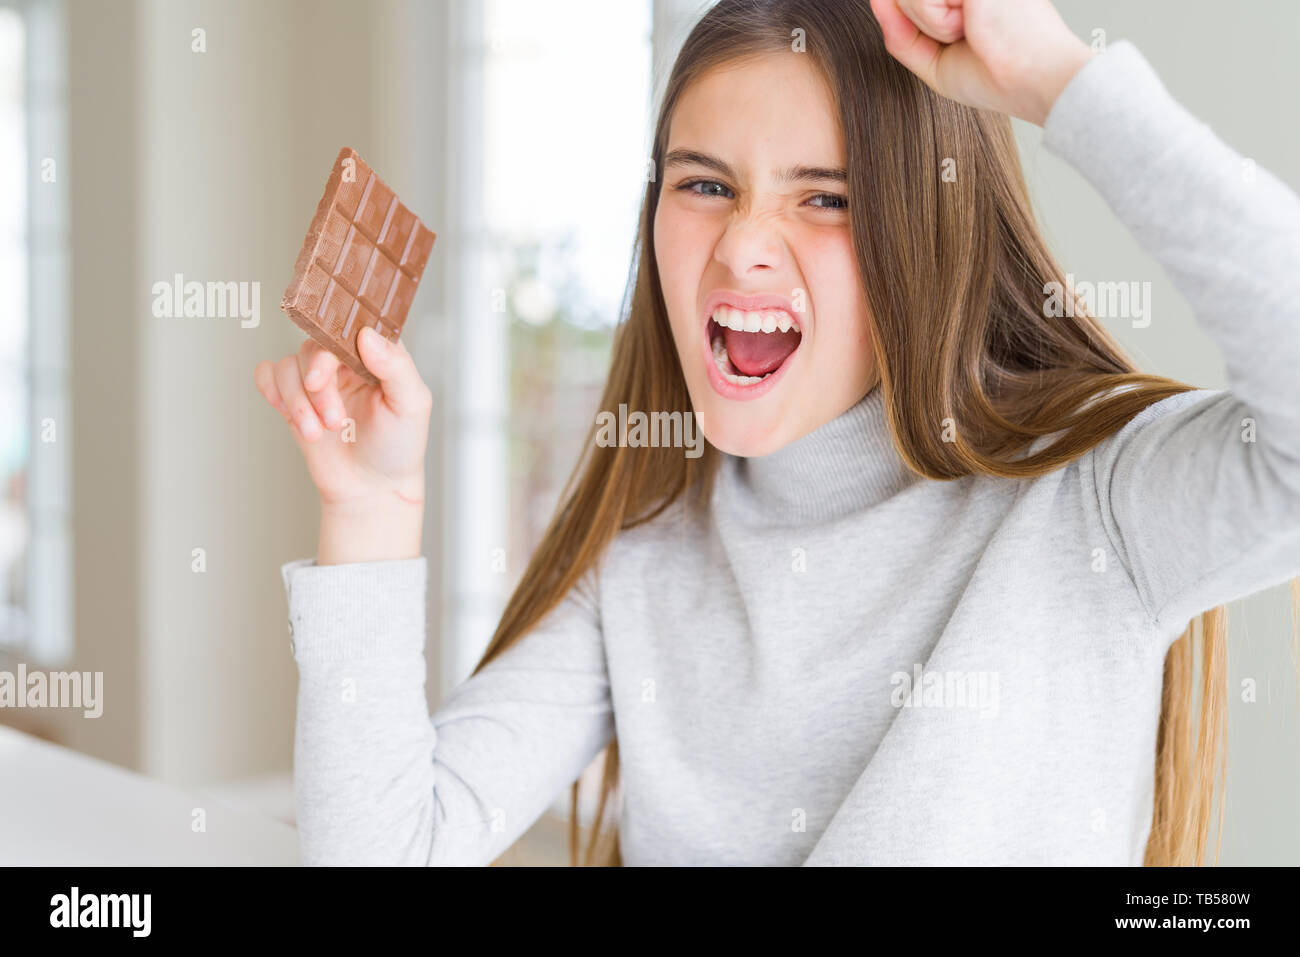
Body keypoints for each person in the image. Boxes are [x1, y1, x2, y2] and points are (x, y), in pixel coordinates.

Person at [253, 0, 1300, 865]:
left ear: (929, 228)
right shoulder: (645, 558)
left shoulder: (1091, 508)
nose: (743, 245)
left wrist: (1060, 83)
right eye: (704, 185)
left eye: (827, 199)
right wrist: (372, 509)